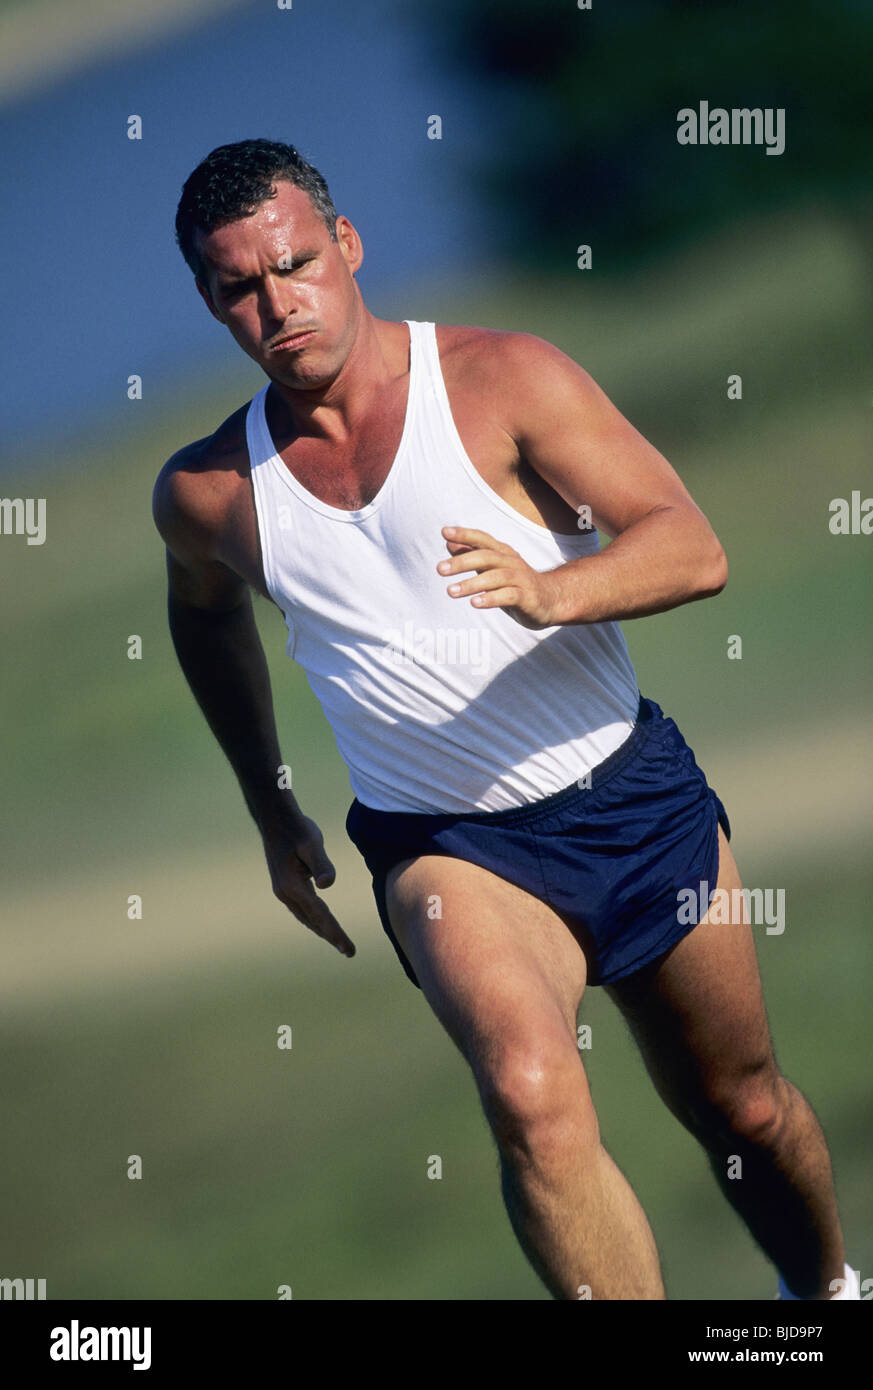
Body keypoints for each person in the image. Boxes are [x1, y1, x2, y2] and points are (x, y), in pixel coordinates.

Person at [153, 138, 857, 1301]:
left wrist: (552, 590)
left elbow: (692, 544)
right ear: (210, 299)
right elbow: (204, 618)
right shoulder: (209, 490)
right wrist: (268, 799)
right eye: (241, 287)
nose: (279, 305)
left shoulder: (503, 379)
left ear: (348, 245)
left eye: (296, 264)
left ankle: (826, 1292)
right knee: (532, 1097)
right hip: (448, 849)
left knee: (744, 1106)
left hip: (627, 796)